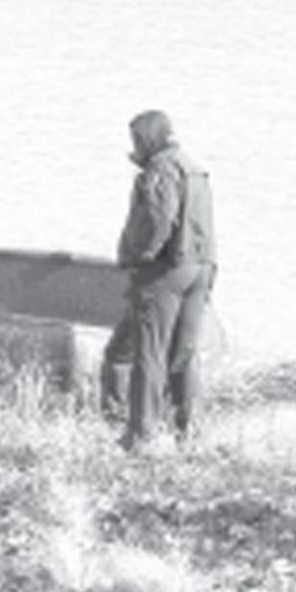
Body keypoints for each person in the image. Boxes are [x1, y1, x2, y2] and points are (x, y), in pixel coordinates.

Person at [113, 110, 216, 451]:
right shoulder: (193, 166)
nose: (134, 148)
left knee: (150, 355)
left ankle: (140, 437)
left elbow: (158, 221)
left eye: (137, 140)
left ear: (148, 137)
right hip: (201, 267)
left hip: (167, 271)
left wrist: (134, 256)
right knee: (183, 356)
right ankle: (189, 435)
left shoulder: (161, 169)